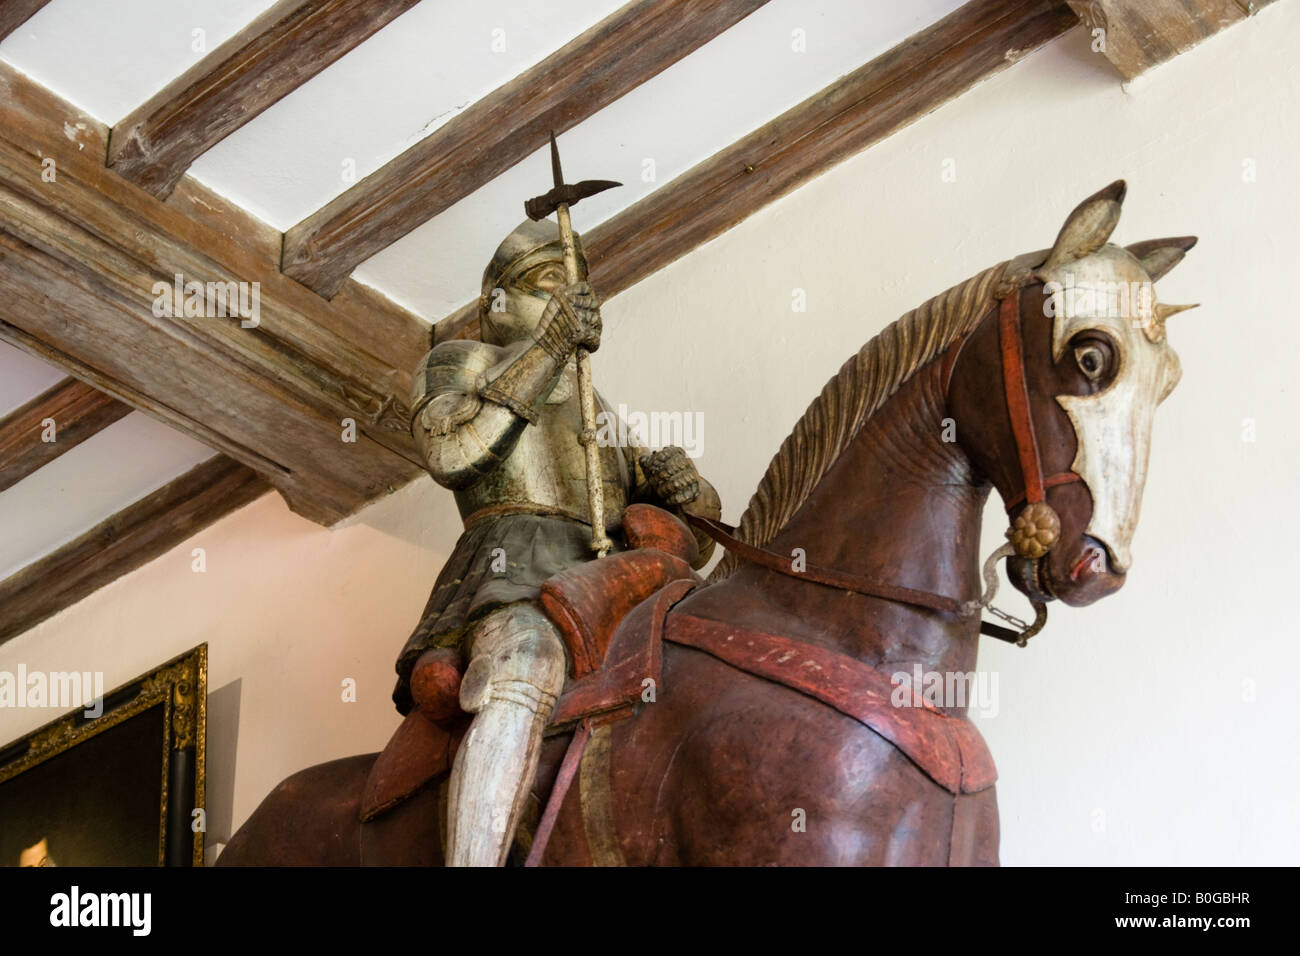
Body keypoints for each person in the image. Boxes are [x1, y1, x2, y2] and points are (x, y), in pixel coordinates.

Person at [392, 219, 721, 866]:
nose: (573, 300)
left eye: (579, 290)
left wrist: (687, 493)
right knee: (525, 660)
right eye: (549, 284)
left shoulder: (593, 405)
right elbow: (455, 452)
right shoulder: (459, 362)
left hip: (606, 572)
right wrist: (549, 346)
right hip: (510, 559)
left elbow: (677, 533)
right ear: (498, 301)